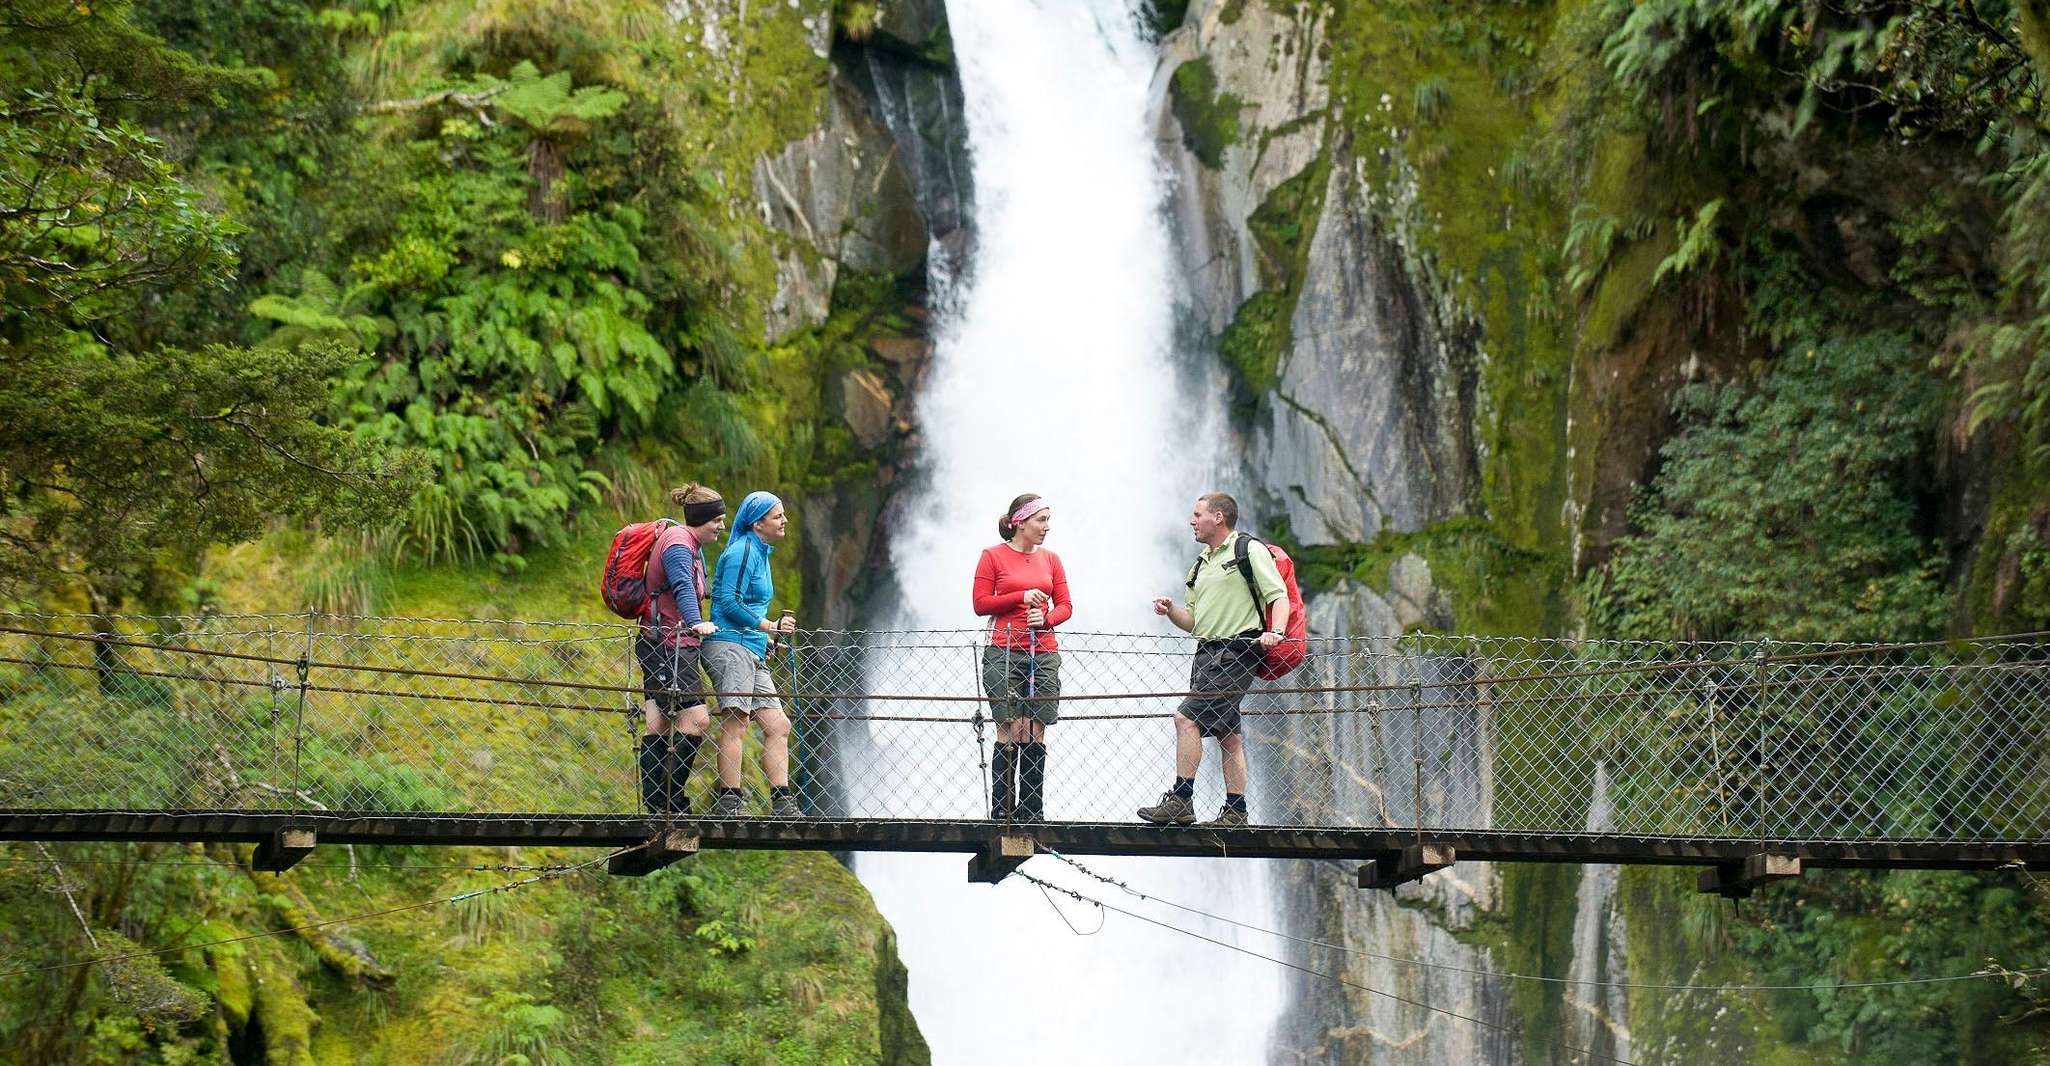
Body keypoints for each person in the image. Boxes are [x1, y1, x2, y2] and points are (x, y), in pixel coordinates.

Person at [1137, 492, 1289, 827]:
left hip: (1237, 652)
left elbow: (1278, 595)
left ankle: (1181, 800)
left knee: (1184, 719)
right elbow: (1194, 622)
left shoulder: (1248, 550)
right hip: (1207, 653)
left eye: (1197, 514)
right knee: (1228, 735)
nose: (1191, 521)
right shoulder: (1200, 565)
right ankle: (1236, 811)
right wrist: (1172, 610)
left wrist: (1275, 631)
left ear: (1218, 517)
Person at [971, 494, 1072, 820]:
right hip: (1002, 648)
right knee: (1009, 726)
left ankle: (1031, 811)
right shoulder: (992, 556)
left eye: (1047, 520)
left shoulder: (1052, 560)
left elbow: (1065, 606)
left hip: (1042, 650)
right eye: (1041, 520)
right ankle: (1003, 812)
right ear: (1020, 522)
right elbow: (980, 603)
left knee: (1036, 728)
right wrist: (1020, 596)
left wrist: (1045, 619)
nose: (1046, 527)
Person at [703, 491, 800, 818]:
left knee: (778, 724)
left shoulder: (761, 553)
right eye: (777, 516)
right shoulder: (743, 551)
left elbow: (746, 603)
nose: (784, 520)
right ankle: (729, 800)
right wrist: (769, 625)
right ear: (758, 524)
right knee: (736, 721)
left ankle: (783, 801)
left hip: (751, 648)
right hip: (730, 646)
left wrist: (767, 638)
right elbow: (728, 602)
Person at [637, 484, 723, 814]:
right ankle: (670, 801)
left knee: (658, 721)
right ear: (701, 518)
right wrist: (694, 621)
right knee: (698, 719)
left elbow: (697, 588)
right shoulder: (677, 545)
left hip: (662, 642)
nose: (721, 526)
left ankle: (658, 804)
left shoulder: (691, 545)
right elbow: (683, 586)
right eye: (717, 519)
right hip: (668, 645)